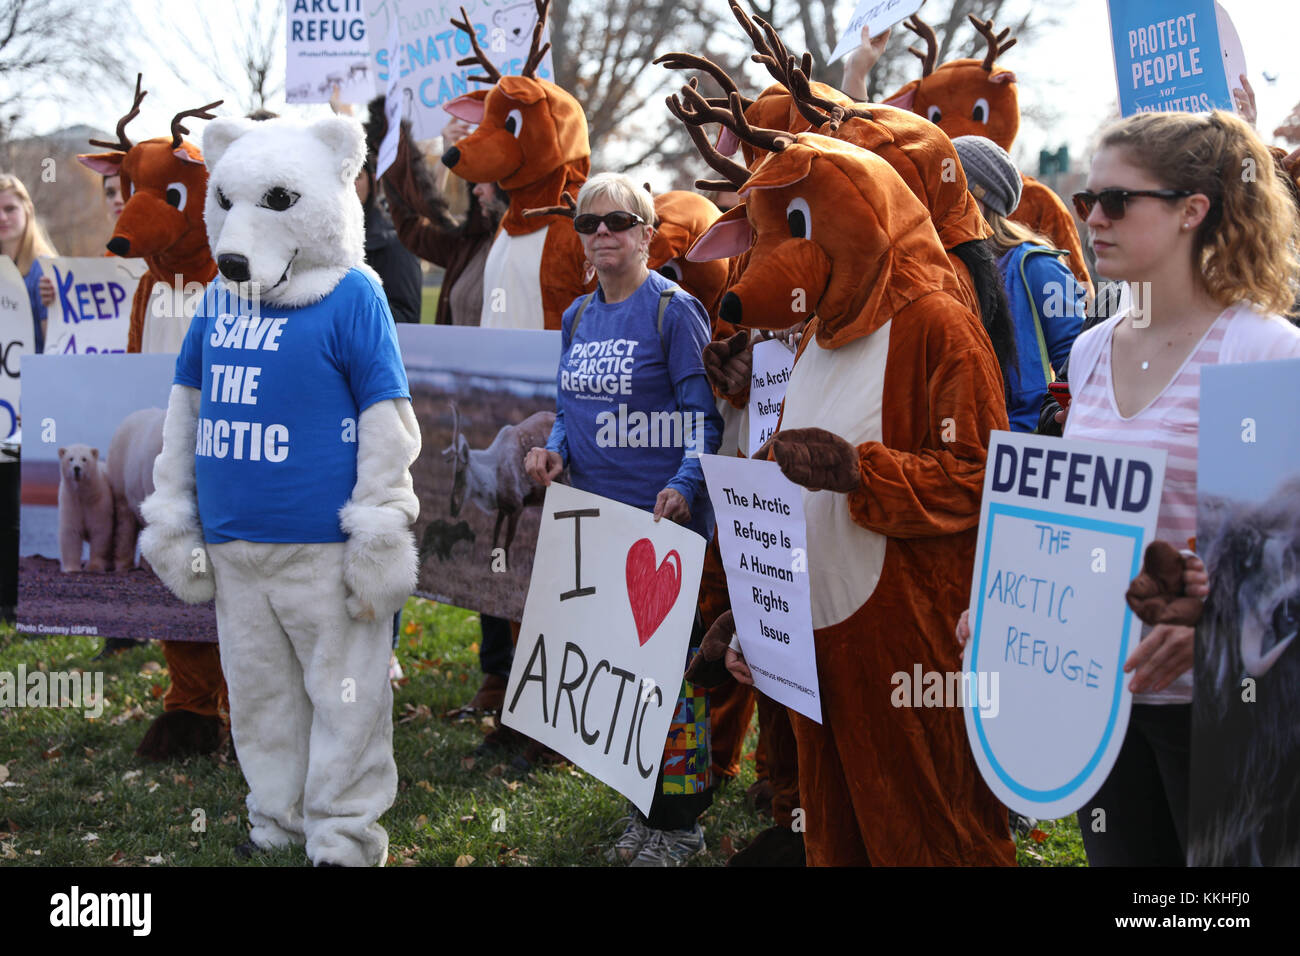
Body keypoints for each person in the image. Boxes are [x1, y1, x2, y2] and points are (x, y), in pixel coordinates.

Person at [959, 109, 1300, 866]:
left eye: (1117, 201)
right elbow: (1079, 522)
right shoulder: (1085, 354)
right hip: (1100, 702)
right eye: (1087, 201)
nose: (1092, 220)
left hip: (1225, 714)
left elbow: (1283, 567)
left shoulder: (1260, 351)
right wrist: (1003, 603)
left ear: (1192, 211)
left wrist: (1215, 624)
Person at [525, 172, 723, 866]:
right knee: (620, 675)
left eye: (617, 221)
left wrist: (683, 483)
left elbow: (705, 417)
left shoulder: (674, 311)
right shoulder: (577, 317)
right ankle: (642, 815)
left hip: (661, 530)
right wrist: (551, 454)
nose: (601, 232)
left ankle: (682, 825)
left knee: (670, 683)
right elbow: (567, 411)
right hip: (597, 526)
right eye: (588, 223)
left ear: (648, 235)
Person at [954, 135, 1086, 431]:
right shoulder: (938, 264)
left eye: (951, 190)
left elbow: (1078, 363)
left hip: (1022, 446)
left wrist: (1050, 425)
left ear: (982, 199)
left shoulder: (1039, 266)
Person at [0, 173, 57, 353]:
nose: (2, 217)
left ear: (28, 210)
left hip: (32, 378)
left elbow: (55, 347)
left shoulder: (44, 269)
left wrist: (55, 306)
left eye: (10, 209)